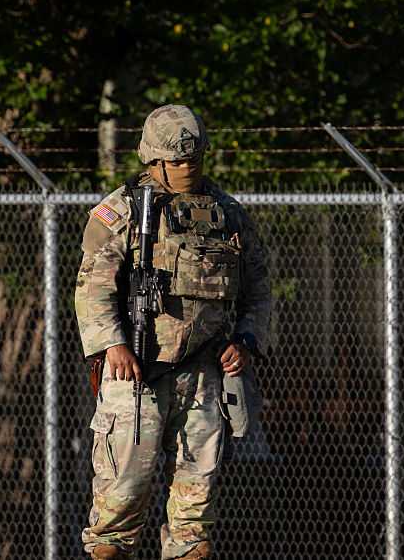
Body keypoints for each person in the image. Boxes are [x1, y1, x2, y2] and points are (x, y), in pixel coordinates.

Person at [75, 104, 271, 559]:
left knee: (193, 519)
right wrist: (113, 344)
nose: (188, 168)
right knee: (118, 509)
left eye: (194, 158)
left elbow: (258, 288)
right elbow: (92, 286)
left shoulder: (228, 214)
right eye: (178, 161)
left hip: (204, 373)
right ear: (154, 159)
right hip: (135, 374)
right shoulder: (123, 210)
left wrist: (245, 340)